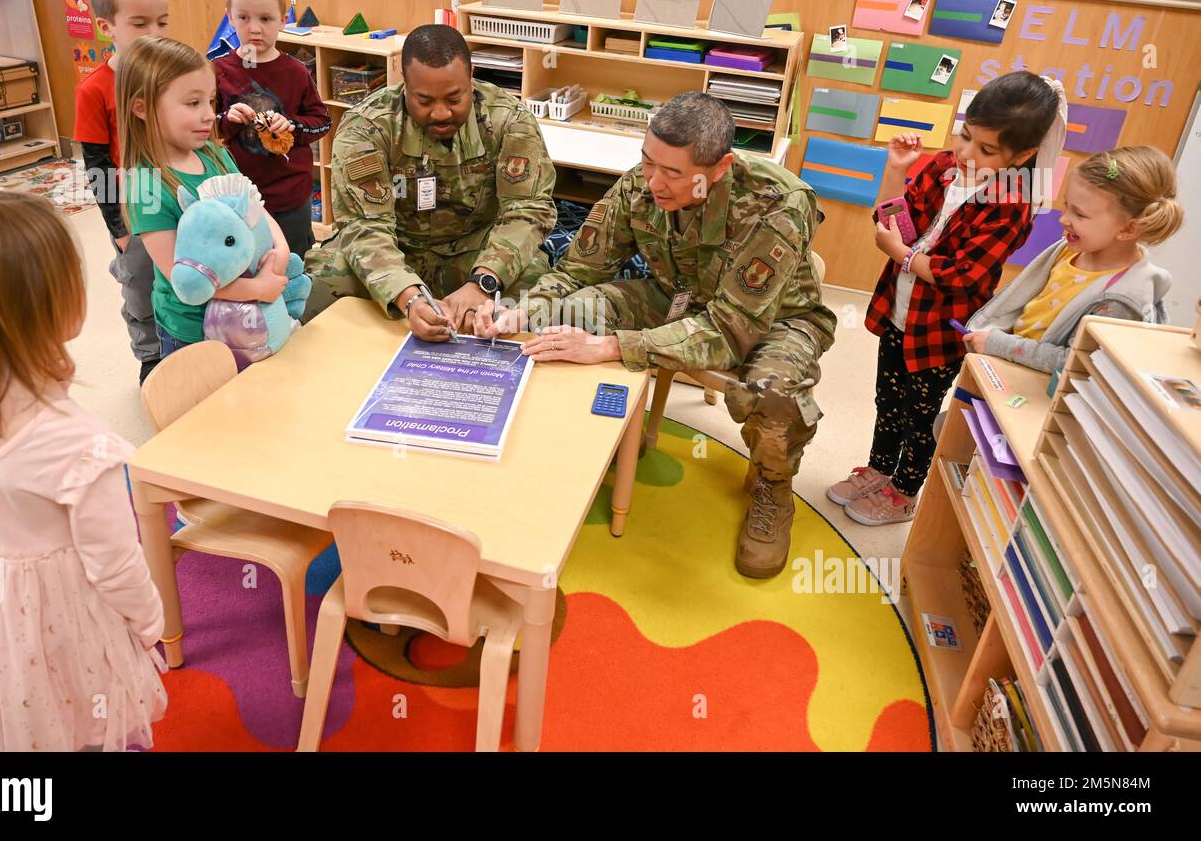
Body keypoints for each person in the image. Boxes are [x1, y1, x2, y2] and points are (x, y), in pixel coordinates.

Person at [475, 91, 836, 579]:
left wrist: (612, 347)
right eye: (648, 162)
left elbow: (729, 330)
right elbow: (578, 270)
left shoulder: (777, 205)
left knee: (770, 393)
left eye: (672, 173)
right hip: (680, 297)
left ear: (720, 167)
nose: (654, 182)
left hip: (775, 319)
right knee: (572, 314)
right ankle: (582, 439)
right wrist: (523, 311)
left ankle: (773, 484)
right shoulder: (639, 186)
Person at [0, 190, 167, 751]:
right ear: (39, 304)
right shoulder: (79, 445)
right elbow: (116, 564)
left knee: (12, 706)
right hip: (60, 624)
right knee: (82, 721)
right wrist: (148, 625)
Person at [828, 71, 1065, 526]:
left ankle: (903, 492)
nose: (968, 153)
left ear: (1024, 155)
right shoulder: (942, 167)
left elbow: (960, 275)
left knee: (920, 418)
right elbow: (896, 218)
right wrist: (896, 170)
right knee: (887, 399)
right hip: (899, 312)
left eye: (987, 149)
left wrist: (900, 254)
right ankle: (879, 470)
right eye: (966, 137)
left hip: (939, 331)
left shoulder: (1010, 205)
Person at [302, 24, 557, 340]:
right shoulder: (366, 128)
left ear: (471, 77)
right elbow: (364, 227)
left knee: (537, 291)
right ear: (404, 83)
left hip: (477, 252)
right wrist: (407, 296)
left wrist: (484, 282)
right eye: (424, 100)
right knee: (321, 285)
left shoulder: (509, 120)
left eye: (454, 97)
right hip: (397, 247)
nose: (440, 113)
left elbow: (527, 213)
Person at [119, 36, 290, 360]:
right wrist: (259, 289)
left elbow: (255, 209)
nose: (210, 115)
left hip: (248, 316)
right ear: (141, 107)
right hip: (192, 332)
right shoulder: (146, 187)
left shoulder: (214, 154)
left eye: (211, 101)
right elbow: (185, 279)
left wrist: (280, 253)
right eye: (192, 103)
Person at [964, 146, 1182, 372]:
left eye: (1079, 214)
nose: (1064, 219)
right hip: (1006, 367)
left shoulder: (1120, 301)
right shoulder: (1070, 250)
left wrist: (1000, 344)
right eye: (1066, 206)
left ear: (1128, 229)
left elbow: (1077, 362)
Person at [74, 0, 170, 383]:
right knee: (139, 282)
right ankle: (151, 356)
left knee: (180, 274)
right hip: (136, 199)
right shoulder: (94, 89)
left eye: (162, 22)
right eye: (140, 23)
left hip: (175, 189)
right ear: (105, 26)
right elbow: (97, 165)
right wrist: (118, 226)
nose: (154, 32)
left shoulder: (168, 75)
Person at [213, 0, 331, 257]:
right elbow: (204, 126)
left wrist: (292, 124)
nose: (255, 29)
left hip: (289, 197)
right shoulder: (217, 71)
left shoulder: (296, 72)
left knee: (292, 268)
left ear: (283, 19)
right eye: (243, 17)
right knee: (244, 265)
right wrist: (227, 119)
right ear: (230, 17)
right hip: (238, 197)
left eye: (266, 18)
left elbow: (321, 121)